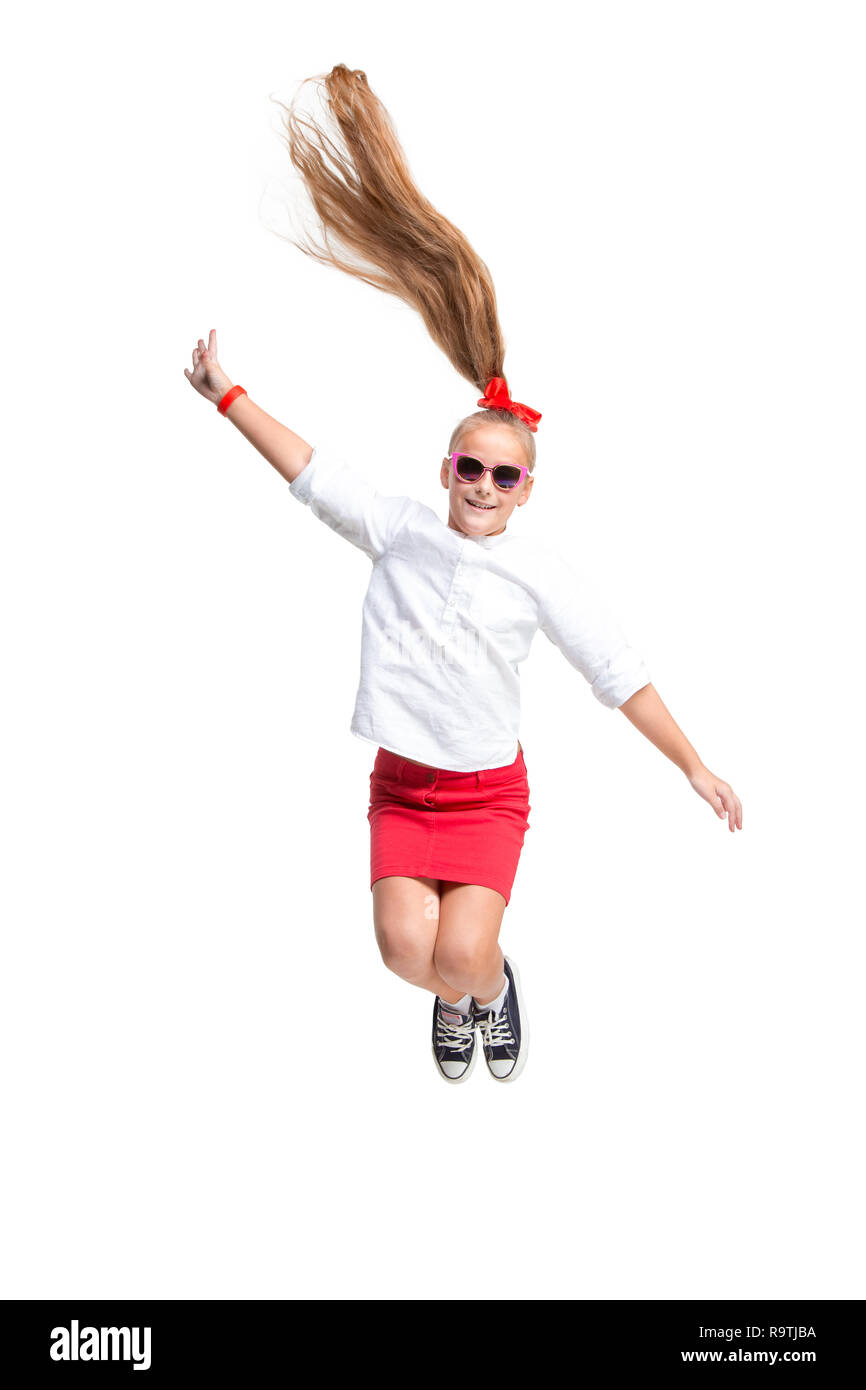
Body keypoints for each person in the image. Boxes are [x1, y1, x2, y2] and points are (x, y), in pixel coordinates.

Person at [184, 65, 743, 1085]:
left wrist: (693, 765)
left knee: (460, 948)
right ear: (446, 470)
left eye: (504, 475)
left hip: (486, 794)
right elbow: (310, 470)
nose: (483, 484)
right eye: (469, 467)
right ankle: (462, 996)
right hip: (404, 783)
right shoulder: (396, 527)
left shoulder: (537, 573)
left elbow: (616, 671)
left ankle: (485, 985)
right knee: (407, 951)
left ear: (525, 488)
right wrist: (228, 395)